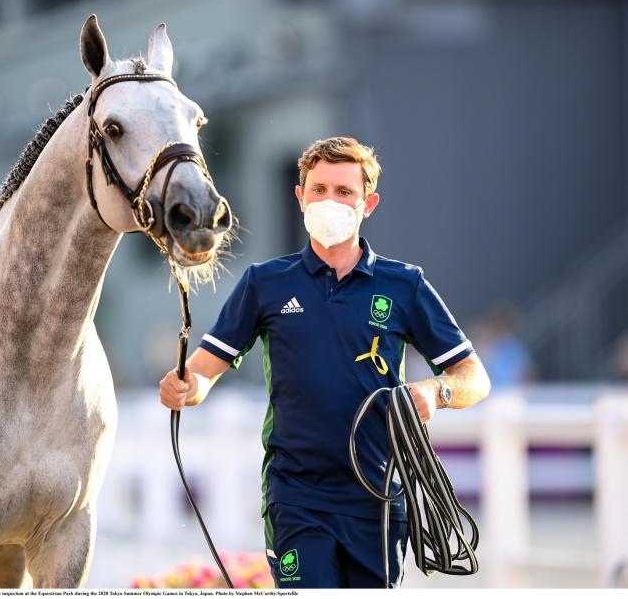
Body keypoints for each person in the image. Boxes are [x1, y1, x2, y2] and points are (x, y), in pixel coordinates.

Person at [158, 137, 492, 588]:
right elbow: (202, 370)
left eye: (344, 191)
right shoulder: (265, 283)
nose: (329, 201)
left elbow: (474, 376)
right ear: (300, 198)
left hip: (378, 496)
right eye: (318, 189)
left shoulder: (405, 285)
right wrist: (185, 386)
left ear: (368, 203)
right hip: (295, 496)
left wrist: (438, 391)